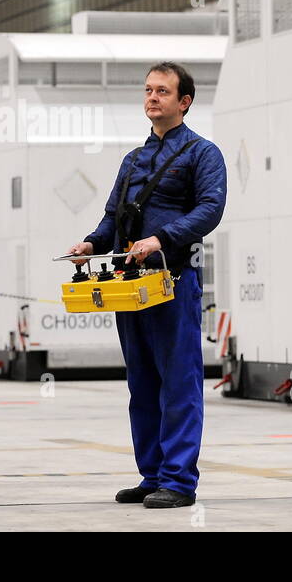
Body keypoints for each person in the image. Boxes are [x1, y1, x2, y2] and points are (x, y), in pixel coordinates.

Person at [66, 61, 227, 508]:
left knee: (179, 381)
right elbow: (113, 216)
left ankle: (178, 482)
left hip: (172, 282)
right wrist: (92, 242)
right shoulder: (132, 160)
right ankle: (152, 474)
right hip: (129, 285)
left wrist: (163, 237)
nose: (152, 97)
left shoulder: (202, 154)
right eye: (148, 90)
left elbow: (210, 210)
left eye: (162, 91)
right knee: (142, 383)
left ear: (184, 102)